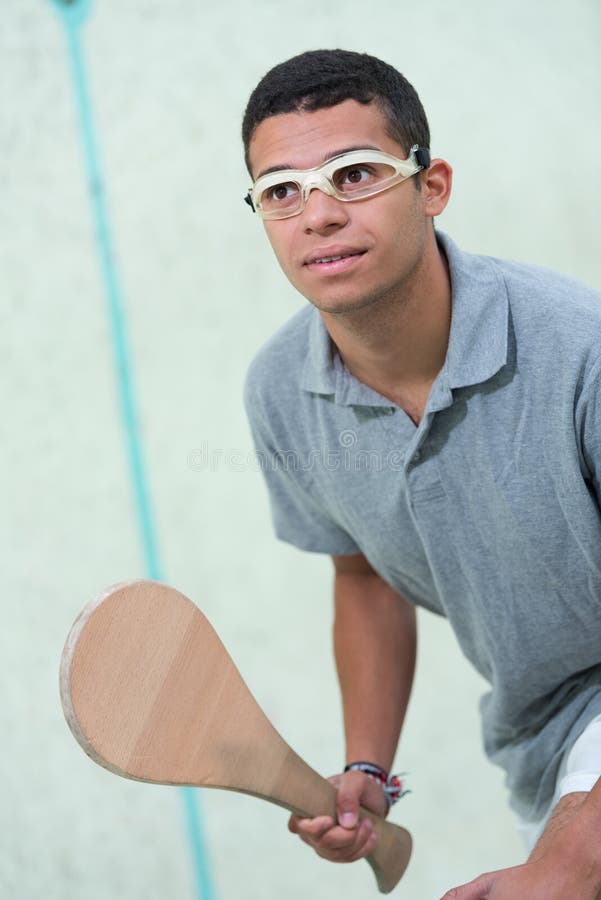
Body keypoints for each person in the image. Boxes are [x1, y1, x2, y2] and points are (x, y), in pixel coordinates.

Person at [241, 48, 601, 898]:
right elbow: (363, 575)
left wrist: (578, 853)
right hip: (540, 748)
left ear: (430, 187)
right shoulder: (278, 392)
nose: (316, 214)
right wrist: (368, 766)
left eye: (353, 173)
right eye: (280, 190)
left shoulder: (580, 348)